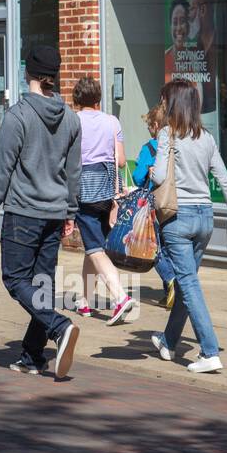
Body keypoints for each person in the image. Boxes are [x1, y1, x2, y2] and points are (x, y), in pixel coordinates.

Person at [0, 45, 82, 379]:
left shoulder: (18, 115)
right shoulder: (70, 118)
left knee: (14, 279)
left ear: (30, 73)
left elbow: (1, 166)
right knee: (41, 284)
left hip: (24, 211)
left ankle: (59, 326)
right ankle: (33, 355)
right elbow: (73, 171)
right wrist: (70, 211)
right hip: (54, 211)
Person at [149, 79, 227, 373]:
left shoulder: (167, 134)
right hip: (205, 217)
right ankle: (168, 340)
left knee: (189, 284)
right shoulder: (207, 137)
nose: (163, 105)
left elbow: (160, 177)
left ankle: (209, 351)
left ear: (174, 104)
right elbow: (225, 180)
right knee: (187, 282)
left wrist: (152, 171)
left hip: (177, 218)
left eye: (165, 100)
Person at [70, 77, 137, 325]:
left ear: (77, 99)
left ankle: (120, 298)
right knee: (93, 245)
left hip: (83, 191)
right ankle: (85, 301)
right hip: (108, 191)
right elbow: (120, 161)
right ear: (98, 98)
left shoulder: (73, 121)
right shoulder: (112, 121)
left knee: (95, 249)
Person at [132, 104, 177, 310]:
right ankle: (170, 293)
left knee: (154, 248)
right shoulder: (175, 145)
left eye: (150, 126)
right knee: (168, 247)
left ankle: (170, 281)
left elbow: (138, 176)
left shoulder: (149, 148)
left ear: (156, 125)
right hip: (173, 204)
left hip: (153, 204)